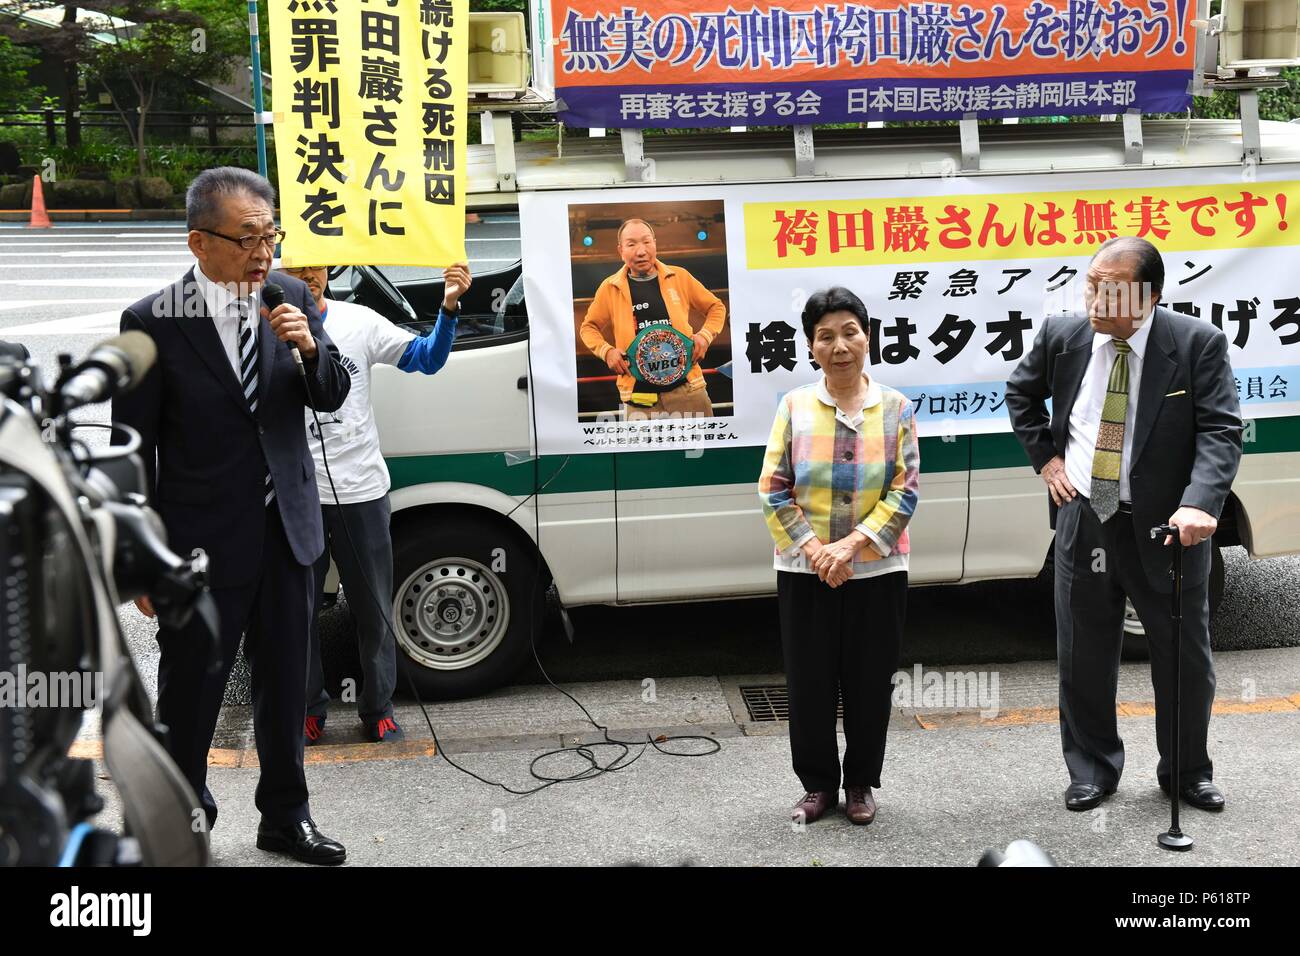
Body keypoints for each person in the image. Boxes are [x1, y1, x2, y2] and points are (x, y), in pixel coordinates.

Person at [111, 167, 352, 865]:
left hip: (288, 536)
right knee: (190, 697)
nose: (263, 253)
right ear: (200, 242)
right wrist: (142, 557)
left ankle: (286, 818)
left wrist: (308, 346)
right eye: (247, 238)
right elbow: (132, 452)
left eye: (270, 236)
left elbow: (331, 393)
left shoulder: (292, 298)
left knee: (285, 690)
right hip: (198, 548)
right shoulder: (152, 321)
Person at [1005, 236, 1242, 813]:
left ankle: (1186, 771)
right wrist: (1048, 460)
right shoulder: (1063, 336)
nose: (1095, 300)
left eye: (1111, 290)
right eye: (1091, 284)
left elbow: (1220, 429)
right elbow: (1020, 393)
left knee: (1184, 654)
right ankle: (1091, 769)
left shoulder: (1194, 345)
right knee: (1083, 651)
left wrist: (1200, 502)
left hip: (1165, 527)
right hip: (1085, 517)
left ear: (1151, 296)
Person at [283, 261, 470, 745]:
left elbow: (427, 359)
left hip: (361, 490)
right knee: (297, 611)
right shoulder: (264, 327)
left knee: (372, 610)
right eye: (296, 265)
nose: (309, 274)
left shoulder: (358, 321)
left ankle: (378, 706)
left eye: (317, 265)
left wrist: (449, 304)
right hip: (295, 495)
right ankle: (308, 708)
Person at [758, 287, 920, 826]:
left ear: (866, 336)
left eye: (849, 331)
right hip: (805, 571)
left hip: (877, 569)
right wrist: (816, 550)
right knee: (809, 680)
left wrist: (852, 546)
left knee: (870, 681)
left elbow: (905, 490)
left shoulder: (895, 407)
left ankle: (860, 785)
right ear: (810, 346)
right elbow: (773, 488)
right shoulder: (794, 406)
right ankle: (818, 786)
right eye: (825, 335)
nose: (840, 345)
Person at [578, 218, 726, 420]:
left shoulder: (679, 277)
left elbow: (716, 307)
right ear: (621, 250)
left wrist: (705, 336)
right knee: (646, 453)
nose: (641, 251)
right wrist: (607, 352)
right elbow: (588, 327)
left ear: (655, 243)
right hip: (639, 398)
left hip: (688, 390)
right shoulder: (610, 287)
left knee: (702, 450)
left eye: (647, 242)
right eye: (631, 244)